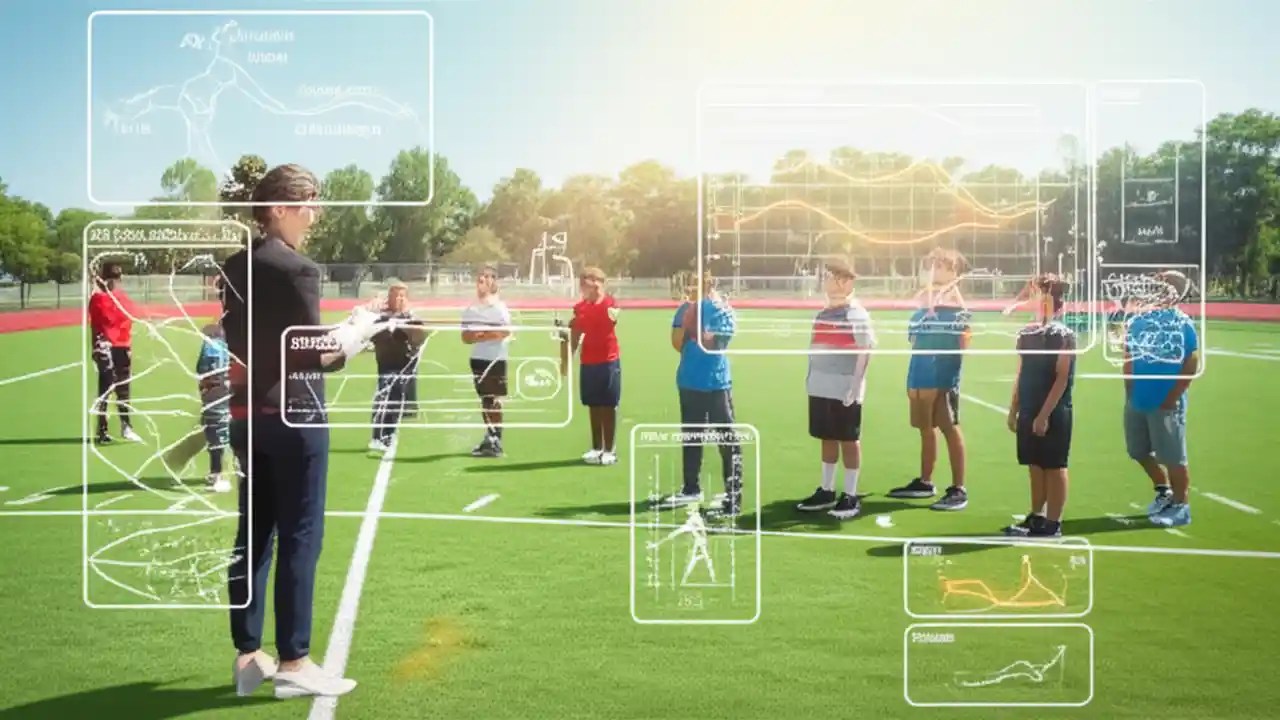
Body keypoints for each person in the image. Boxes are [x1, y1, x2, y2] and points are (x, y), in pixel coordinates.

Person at [220, 163, 364, 699]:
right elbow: (309, 353)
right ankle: (296, 662)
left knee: (252, 536)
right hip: (295, 419)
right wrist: (354, 338)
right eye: (307, 199)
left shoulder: (234, 266)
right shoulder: (298, 269)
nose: (315, 210)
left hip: (246, 417)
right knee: (301, 535)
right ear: (278, 207)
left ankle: (248, 655)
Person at [889, 249, 971, 510]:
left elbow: (962, 339)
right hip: (920, 370)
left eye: (942, 265)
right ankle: (926, 481)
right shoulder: (926, 302)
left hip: (943, 374)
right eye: (933, 264)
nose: (935, 269)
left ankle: (958, 488)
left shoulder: (955, 306)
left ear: (954, 271)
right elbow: (914, 338)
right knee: (925, 427)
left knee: (948, 426)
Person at [795, 259, 876, 520]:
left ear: (845, 282)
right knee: (826, 436)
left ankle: (850, 495)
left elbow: (866, 349)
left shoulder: (856, 314)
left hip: (843, 387)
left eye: (830, 276)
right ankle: (827, 490)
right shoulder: (823, 313)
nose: (825, 281)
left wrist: (855, 385)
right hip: (821, 385)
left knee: (848, 439)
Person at [1123, 270, 1198, 528]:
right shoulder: (1139, 321)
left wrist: (1173, 397)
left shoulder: (1182, 323)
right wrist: (1129, 390)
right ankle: (1163, 490)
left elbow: (1192, 362)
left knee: (1173, 456)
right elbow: (1128, 354)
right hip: (1138, 399)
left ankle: (1181, 505)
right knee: (1137, 450)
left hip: (1166, 401)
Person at [663, 271, 742, 516]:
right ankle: (698, 489)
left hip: (712, 382)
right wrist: (691, 329)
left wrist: (699, 332)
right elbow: (678, 342)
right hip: (695, 380)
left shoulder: (718, 309)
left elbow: (714, 340)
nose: (690, 287)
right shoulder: (693, 309)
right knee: (703, 437)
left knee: (719, 438)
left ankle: (726, 494)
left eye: (694, 283)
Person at [1004, 274, 1076, 538]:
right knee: (1034, 464)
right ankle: (1037, 515)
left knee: (1054, 465)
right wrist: (1014, 409)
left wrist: (1044, 414)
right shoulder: (1027, 333)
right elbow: (1021, 372)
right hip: (1029, 405)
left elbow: (1061, 377)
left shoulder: (1063, 335)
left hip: (1054, 410)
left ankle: (1053, 523)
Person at [368, 282, 429, 454]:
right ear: (390, 297)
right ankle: (377, 435)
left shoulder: (411, 316)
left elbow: (419, 337)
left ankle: (389, 433)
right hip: (386, 363)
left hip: (404, 364)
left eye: (402, 295)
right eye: (396, 295)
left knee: (396, 400)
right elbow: (372, 335)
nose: (399, 299)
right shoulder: (381, 316)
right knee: (382, 396)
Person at [570, 267, 622, 465]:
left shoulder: (609, 303)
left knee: (608, 405)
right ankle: (596, 447)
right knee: (593, 404)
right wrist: (569, 355)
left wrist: (598, 296)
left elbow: (612, 318)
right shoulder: (580, 307)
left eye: (587, 281)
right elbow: (576, 331)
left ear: (597, 283)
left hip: (608, 360)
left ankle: (610, 449)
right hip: (588, 360)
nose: (582, 285)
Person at [461, 266, 513, 458]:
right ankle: (489, 437)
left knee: (495, 399)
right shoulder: (471, 308)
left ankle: (496, 439)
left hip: (496, 358)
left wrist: (480, 335)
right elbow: (465, 336)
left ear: (493, 282)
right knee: (485, 399)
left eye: (487, 277)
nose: (482, 280)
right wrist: (483, 335)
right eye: (480, 277)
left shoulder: (499, 307)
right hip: (478, 358)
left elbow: (504, 331)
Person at [88, 262, 142, 444]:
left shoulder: (114, 299)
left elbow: (123, 325)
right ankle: (105, 430)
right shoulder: (100, 300)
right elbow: (96, 325)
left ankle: (123, 427)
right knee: (109, 390)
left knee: (120, 389)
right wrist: (95, 348)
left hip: (119, 346)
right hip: (109, 347)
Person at [196, 323, 233, 493]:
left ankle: (217, 473)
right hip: (218, 393)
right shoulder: (220, 346)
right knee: (218, 432)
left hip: (213, 394)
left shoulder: (212, 347)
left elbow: (208, 372)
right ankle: (217, 473)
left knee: (216, 432)